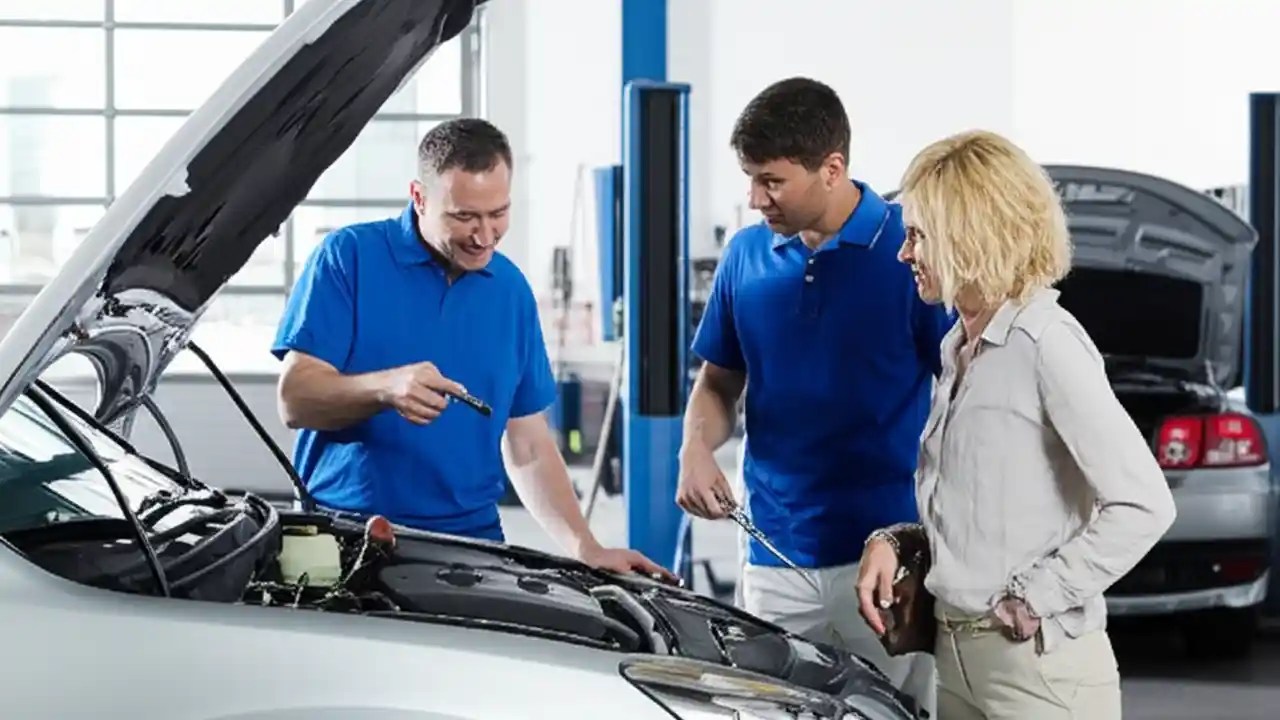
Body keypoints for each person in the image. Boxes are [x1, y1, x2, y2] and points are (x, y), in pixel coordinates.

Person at [856, 129, 1177, 719]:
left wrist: (1037, 596)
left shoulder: (1046, 343)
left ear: (970, 235)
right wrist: (898, 540)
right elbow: (989, 510)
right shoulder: (959, 347)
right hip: (954, 660)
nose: (905, 254)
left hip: (1038, 669)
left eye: (918, 235)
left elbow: (1144, 504)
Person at [272, 117, 672, 580]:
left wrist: (585, 545)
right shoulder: (348, 258)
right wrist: (386, 388)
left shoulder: (510, 291)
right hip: (345, 538)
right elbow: (295, 400)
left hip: (473, 544)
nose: (484, 235)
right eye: (464, 217)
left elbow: (529, 445)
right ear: (419, 198)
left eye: (498, 213)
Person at [676, 77, 953, 714]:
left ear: (832, 169)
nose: (754, 199)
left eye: (771, 181)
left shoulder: (910, 254)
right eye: (749, 178)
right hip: (774, 554)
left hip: (888, 557)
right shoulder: (744, 257)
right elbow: (720, 380)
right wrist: (696, 448)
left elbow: (962, 390)